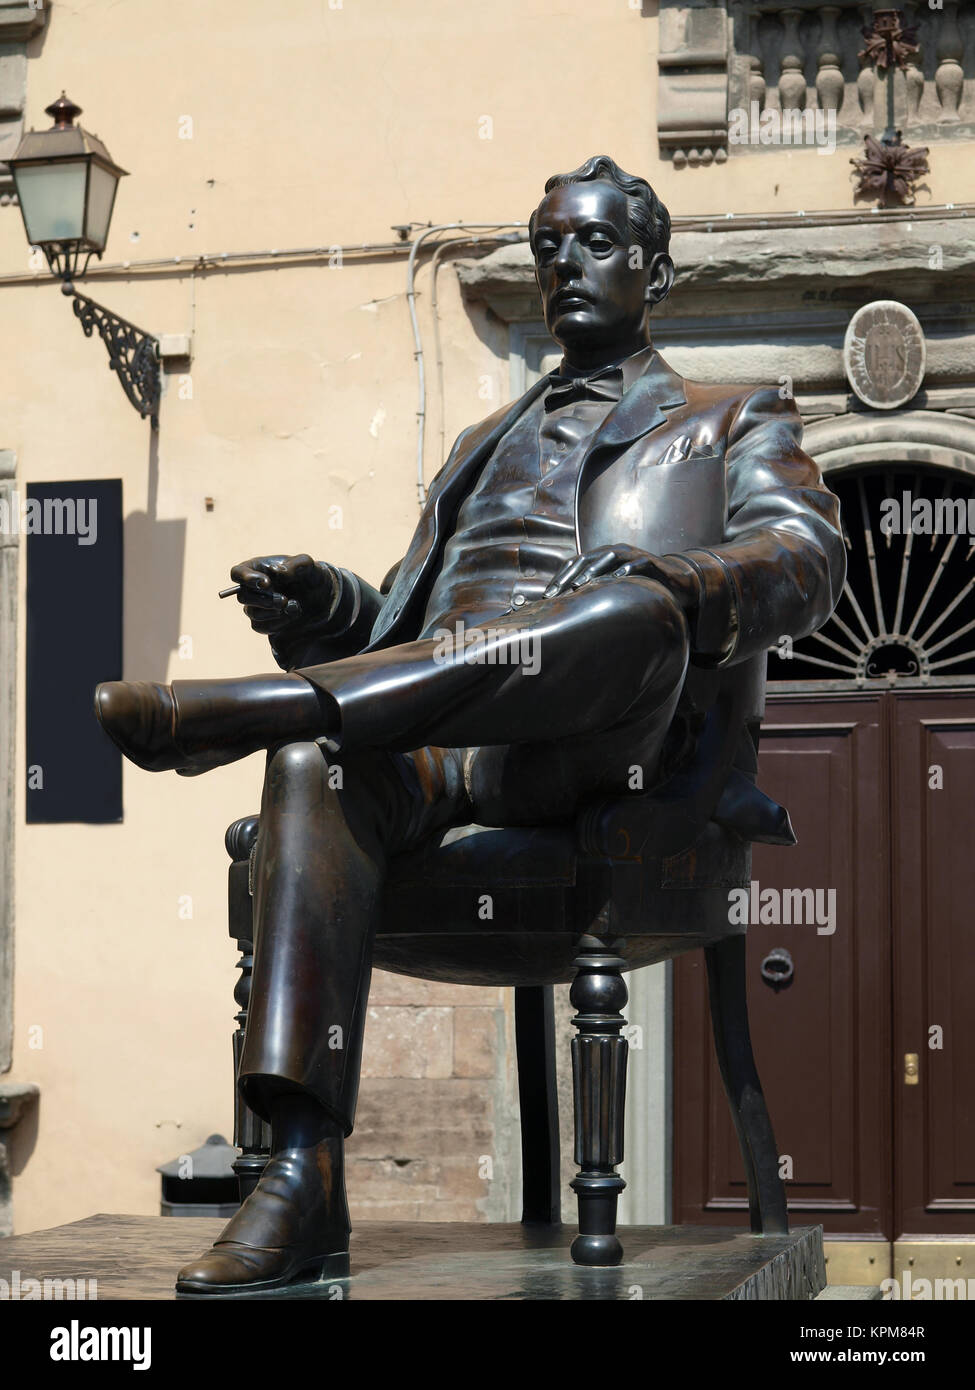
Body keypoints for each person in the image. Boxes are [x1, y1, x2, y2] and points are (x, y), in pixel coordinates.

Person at [95, 156, 845, 1294]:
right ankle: (301, 1173)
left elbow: (805, 555)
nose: (564, 267)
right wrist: (329, 609)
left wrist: (681, 586)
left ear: (656, 268)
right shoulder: (477, 444)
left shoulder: (730, 416)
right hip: (446, 735)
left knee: (626, 610)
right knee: (313, 764)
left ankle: (239, 714)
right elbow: (411, 616)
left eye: (593, 244)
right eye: (547, 247)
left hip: (595, 751)